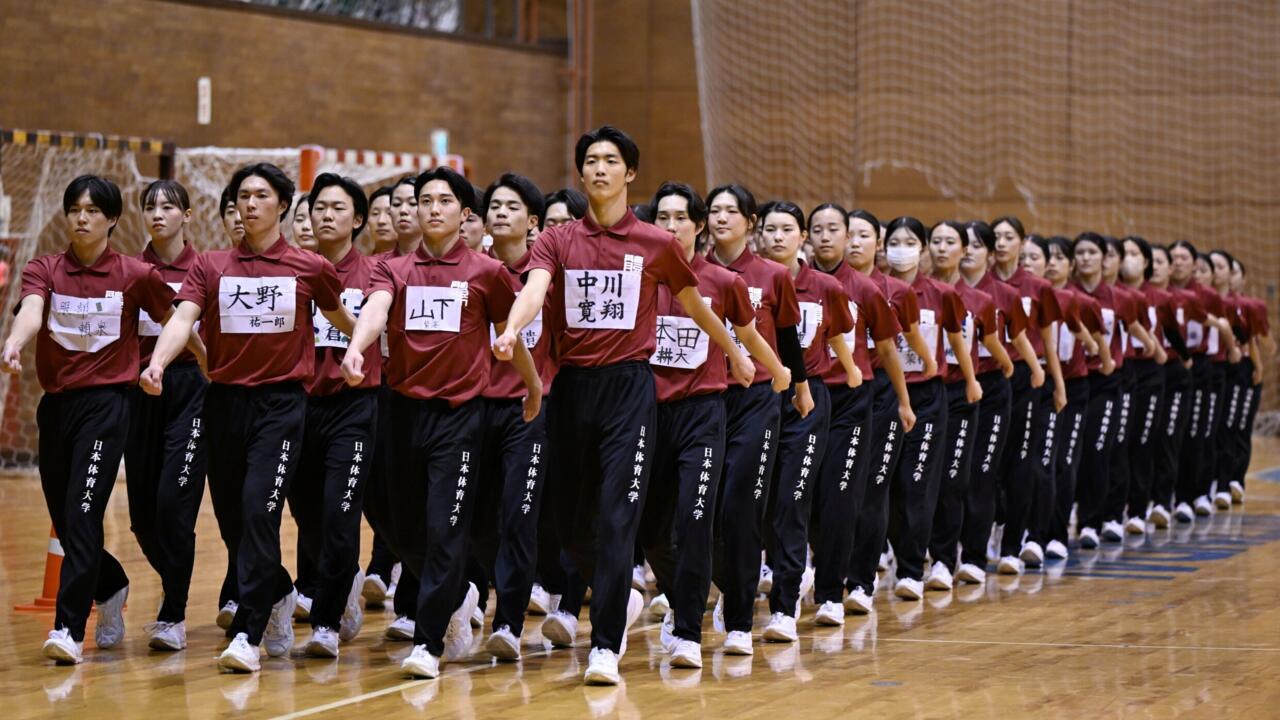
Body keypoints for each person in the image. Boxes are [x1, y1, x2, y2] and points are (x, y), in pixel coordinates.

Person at [493, 126, 758, 684]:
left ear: (629, 173)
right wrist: (512, 331)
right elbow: (534, 289)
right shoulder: (558, 241)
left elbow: (697, 305)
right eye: (590, 160)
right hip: (571, 390)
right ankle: (621, 591)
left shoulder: (656, 244)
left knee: (618, 518)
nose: (599, 169)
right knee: (567, 524)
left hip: (630, 393)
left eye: (611, 160)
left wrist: (733, 352)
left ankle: (605, 646)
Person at [142, 162, 356, 673]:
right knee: (235, 524)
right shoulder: (211, 266)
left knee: (261, 512)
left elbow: (340, 317)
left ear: (282, 204)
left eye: (261, 195)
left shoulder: (309, 267)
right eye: (243, 196)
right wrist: (157, 361)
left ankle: (248, 633)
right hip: (223, 403)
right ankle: (279, 589)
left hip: (282, 407)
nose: (250, 204)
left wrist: (365, 347)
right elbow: (184, 319)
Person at [341, 166, 542, 679]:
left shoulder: (485, 272)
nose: (432, 208)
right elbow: (377, 308)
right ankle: (457, 593)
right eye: (424, 199)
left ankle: (428, 643)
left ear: (463, 213)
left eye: (443, 200)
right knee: (401, 526)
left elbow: (509, 332)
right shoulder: (395, 269)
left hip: (459, 420)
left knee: (445, 526)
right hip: (402, 412)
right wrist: (357, 347)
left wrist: (534, 385)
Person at [4, 175, 178, 664]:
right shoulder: (45, 269)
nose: (82, 218)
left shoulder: (134, 274)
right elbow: (33, 309)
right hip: (57, 408)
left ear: (112, 220)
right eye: (74, 209)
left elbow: (176, 320)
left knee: (83, 515)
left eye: (92, 211)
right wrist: (16, 342)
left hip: (107, 408)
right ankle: (112, 582)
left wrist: (179, 361)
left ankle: (67, 628)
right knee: (65, 519)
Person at [640, 181, 788, 667]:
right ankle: (687, 597)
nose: (670, 226)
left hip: (706, 413)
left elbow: (746, 336)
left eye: (681, 217)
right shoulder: (639, 279)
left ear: (697, 225)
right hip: (645, 414)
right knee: (652, 531)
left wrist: (781, 373)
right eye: (662, 217)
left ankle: (700, 627)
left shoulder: (723, 282)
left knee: (705, 518)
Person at [702, 184, 810, 656]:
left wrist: (800, 388)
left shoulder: (772, 276)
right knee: (699, 513)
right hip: (698, 398)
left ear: (750, 222)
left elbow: (788, 340)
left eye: (732, 211)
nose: (722, 217)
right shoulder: (689, 273)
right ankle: (727, 585)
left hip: (756, 399)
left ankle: (742, 614)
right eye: (715, 210)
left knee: (742, 507)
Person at [288, 173, 380, 659]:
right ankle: (339, 584)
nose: (325, 215)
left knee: (341, 515)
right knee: (308, 517)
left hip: (353, 407)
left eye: (337, 208)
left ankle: (324, 620)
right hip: (298, 406)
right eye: (318, 207)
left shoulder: (377, 276)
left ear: (358, 219)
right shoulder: (291, 274)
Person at [758, 201, 855, 640]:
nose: (778, 237)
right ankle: (739, 588)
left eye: (787, 229)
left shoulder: (825, 287)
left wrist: (852, 371)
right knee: (750, 506)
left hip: (806, 401)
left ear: (803, 238)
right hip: (755, 397)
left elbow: (835, 333)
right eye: (770, 229)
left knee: (790, 504)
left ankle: (785, 605)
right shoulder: (749, 282)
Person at [807, 203, 906, 623]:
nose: (825, 236)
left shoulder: (866, 290)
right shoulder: (795, 285)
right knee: (802, 499)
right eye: (818, 229)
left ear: (848, 237)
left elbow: (886, 349)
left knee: (844, 496)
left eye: (834, 229)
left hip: (853, 400)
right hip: (805, 398)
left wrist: (902, 400)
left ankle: (843, 589)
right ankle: (803, 573)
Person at [472, 172, 557, 661]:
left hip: (529, 410)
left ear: (532, 221)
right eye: (494, 206)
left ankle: (508, 620)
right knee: (478, 520)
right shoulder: (473, 271)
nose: (500, 213)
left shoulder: (547, 277)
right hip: (473, 409)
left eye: (511, 206)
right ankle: (475, 595)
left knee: (517, 514)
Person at [125, 179, 210, 651]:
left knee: (175, 506)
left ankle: (172, 612)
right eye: (150, 206)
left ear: (188, 215)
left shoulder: (205, 268)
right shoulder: (130, 270)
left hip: (190, 391)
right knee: (142, 518)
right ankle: (172, 582)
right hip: (139, 391)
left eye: (168, 206)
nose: (158, 214)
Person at [880, 216, 977, 600]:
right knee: (883, 488)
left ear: (921, 249)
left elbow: (957, 341)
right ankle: (884, 553)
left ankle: (912, 569)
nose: (901, 248)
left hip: (927, 396)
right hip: (883, 394)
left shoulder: (942, 295)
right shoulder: (874, 290)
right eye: (894, 241)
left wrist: (971, 380)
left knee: (917, 483)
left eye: (909, 241)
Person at [843, 209, 926, 613]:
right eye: (849, 235)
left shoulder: (892, 291)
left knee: (874, 489)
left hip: (880, 395)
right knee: (839, 490)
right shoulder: (826, 286)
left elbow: (898, 349)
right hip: (837, 395)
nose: (854, 243)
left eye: (864, 236)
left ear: (877, 244)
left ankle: (861, 581)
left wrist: (904, 400)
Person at [925, 220, 1014, 590]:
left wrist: (1005, 370)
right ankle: (934, 556)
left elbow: (998, 348)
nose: (944, 248)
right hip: (928, 391)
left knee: (969, 476)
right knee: (930, 478)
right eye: (937, 241)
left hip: (971, 391)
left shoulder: (980, 300)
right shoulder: (917, 294)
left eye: (954, 242)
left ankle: (969, 556)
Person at [989, 216, 1065, 574]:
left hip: (1027, 376)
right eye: (997, 237)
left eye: (1009, 237)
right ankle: (996, 524)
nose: (1002, 243)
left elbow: (1048, 344)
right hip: (988, 375)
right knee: (992, 461)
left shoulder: (1038, 288)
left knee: (1025, 460)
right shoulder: (981, 285)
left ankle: (1015, 542)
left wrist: (1058, 385)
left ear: (1020, 243)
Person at [1026, 235, 1105, 559]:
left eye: (1060, 257)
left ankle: (1056, 533)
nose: (1054, 262)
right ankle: (1031, 532)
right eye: (1050, 256)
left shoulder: (1076, 301)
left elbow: (1093, 345)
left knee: (1063, 461)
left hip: (1073, 387)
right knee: (1036, 461)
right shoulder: (1027, 297)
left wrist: (1084, 341)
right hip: (1036, 385)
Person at [1117, 236, 1171, 533]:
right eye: (1123, 253)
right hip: (1121, 371)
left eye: (1134, 253)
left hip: (1150, 373)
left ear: (1146, 261)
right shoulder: (1114, 295)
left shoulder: (1159, 298)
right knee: (1117, 443)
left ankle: (1140, 508)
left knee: (1144, 440)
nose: (1127, 259)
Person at [366, 185, 397, 256]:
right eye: (375, 213)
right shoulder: (360, 265)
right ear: (367, 224)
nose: (381, 221)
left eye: (389, 213)